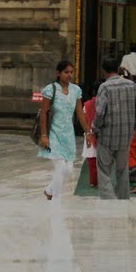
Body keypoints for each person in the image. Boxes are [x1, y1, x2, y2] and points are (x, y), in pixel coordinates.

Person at [92, 56, 136, 200]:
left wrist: (95, 128)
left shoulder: (104, 87)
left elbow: (99, 112)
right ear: (118, 69)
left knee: (104, 170)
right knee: (122, 171)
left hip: (107, 136)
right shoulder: (132, 85)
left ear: (103, 71)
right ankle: (123, 200)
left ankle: (109, 201)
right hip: (126, 135)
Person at [39, 59, 90, 201]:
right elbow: (43, 113)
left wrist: (88, 132)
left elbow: (80, 113)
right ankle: (56, 199)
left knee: (68, 169)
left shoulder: (76, 90)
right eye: (66, 72)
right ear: (58, 73)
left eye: (71, 72)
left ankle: (49, 189)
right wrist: (44, 135)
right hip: (53, 133)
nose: (69, 75)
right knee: (60, 166)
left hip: (68, 135)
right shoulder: (50, 89)